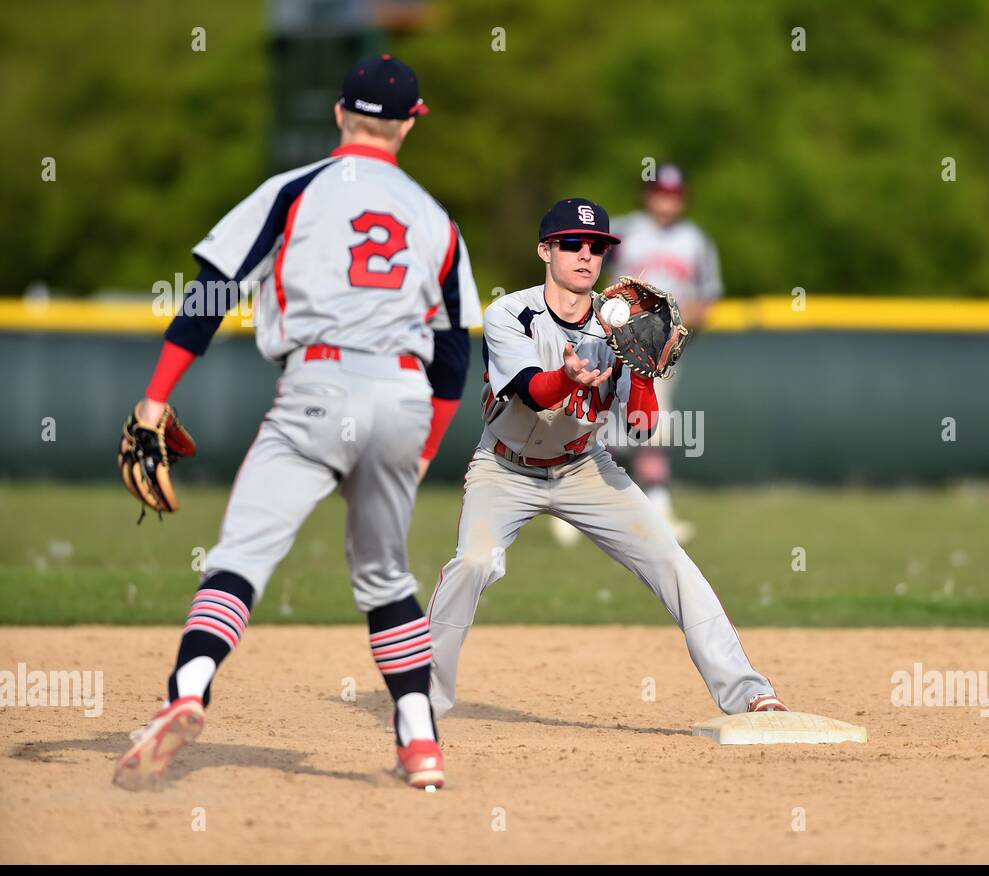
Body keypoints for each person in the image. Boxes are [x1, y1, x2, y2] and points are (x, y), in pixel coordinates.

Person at [113, 55, 479, 792]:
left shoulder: (294, 191)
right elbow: (451, 350)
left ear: (341, 114)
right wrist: (425, 449)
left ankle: (188, 688)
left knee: (242, 554)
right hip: (403, 396)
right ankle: (419, 739)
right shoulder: (435, 219)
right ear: (410, 124)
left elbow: (212, 294)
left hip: (318, 384)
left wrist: (155, 399)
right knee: (385, 576)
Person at [423, 198, 785, 783]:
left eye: (597, 247)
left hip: (584, 467)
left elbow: (640, 428)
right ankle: (424, 703)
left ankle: (748, 692)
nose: (586, 254)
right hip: (506, 468)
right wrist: (568, 376)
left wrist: (642, 374)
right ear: (545, 251)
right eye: (572, 244)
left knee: (671, 559)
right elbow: (531, 395)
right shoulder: (510, 314)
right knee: (473, 563)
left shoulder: (619, 325)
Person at [549, 164, 721, 546]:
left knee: (651, 426)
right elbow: (585, 276)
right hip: (610, 342)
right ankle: (570, 504)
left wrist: (671, 322)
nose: (666, 202)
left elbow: (706, 300)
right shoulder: (623, 232)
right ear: (647, 194)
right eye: (661, 193)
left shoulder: (695, 241)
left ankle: (654, 506)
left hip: (660, 354)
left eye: (674, 195)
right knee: (594, 419)